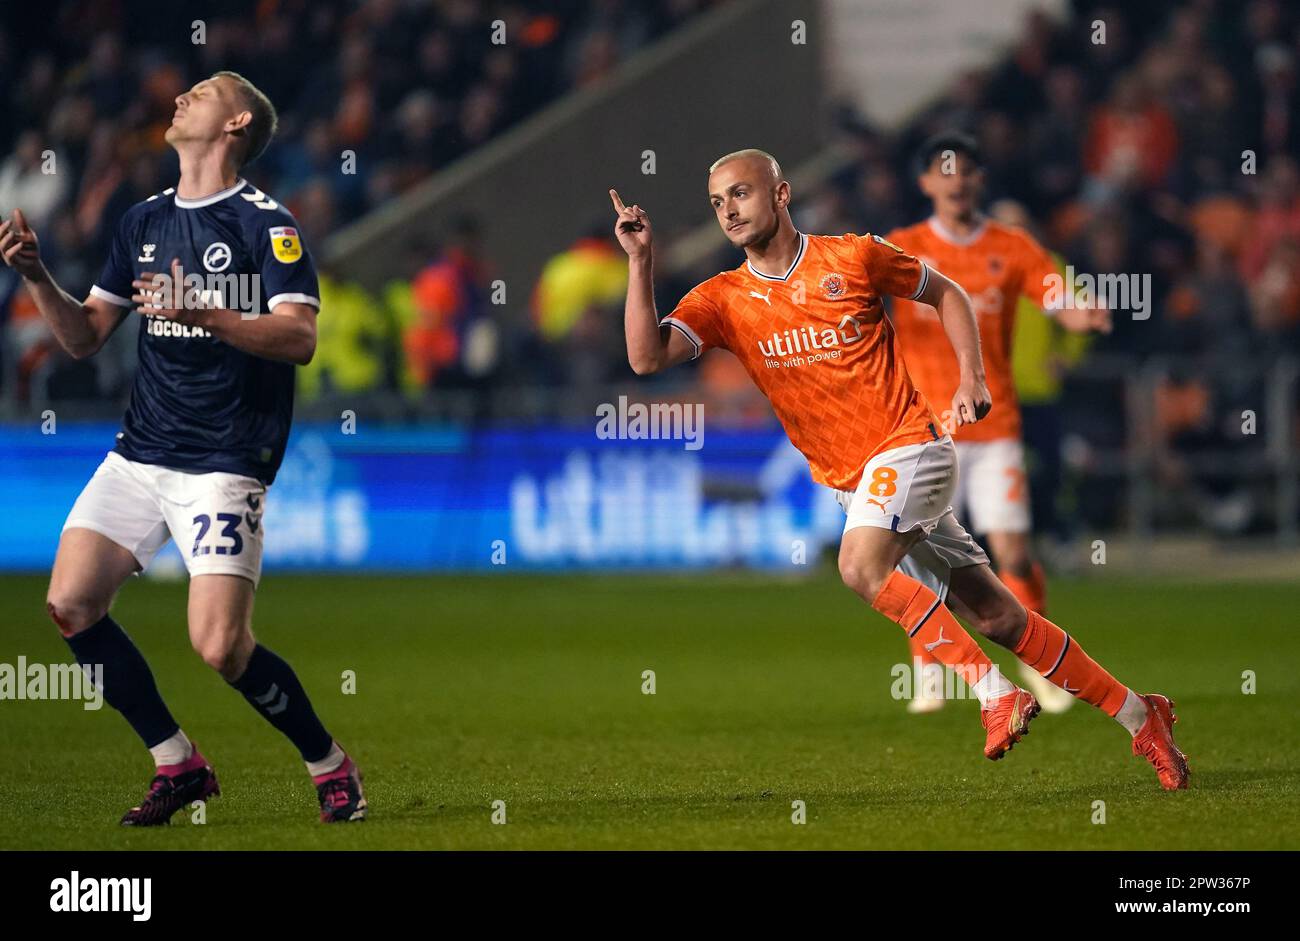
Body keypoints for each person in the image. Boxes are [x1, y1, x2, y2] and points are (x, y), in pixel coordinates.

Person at [606, 148, 1188, 789]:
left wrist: (971, 377)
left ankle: (994, 693)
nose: (729, 212)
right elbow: (646, 358)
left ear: (781, 192)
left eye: (741, 194)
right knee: (997, 616)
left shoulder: (852, 257)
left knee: (858, 566)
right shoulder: (723, 299)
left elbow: (948, 292)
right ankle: (1142, 715)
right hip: (851, 483)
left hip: (911, 446)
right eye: (718, 204)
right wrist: (641, 262)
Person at [0, 72, 367, 824]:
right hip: (142, 451)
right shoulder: (140, 222)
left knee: (221, 645)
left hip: (227, 458)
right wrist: (36, 274)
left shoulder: (267, 224)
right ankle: (177, 761)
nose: (179, 98)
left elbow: (299, 337)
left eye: (200, 93)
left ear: (234, 123)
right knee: (70, 601)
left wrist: (204, 311)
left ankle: (328, 761)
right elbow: (83, 337)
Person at [885, 132, 1109, 714]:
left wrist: (1082, 314)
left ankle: (1042, 667)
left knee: (1010, 549)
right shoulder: (902, 248)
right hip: (924, 432)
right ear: (926, 183)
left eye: (967, 170)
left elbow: (1056, 293)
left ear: (979, 180)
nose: (957, 180)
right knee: (918, 553)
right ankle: (928, 666)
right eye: (945, 170)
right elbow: (854, 303)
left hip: (995, 425)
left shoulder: (1012, 247)